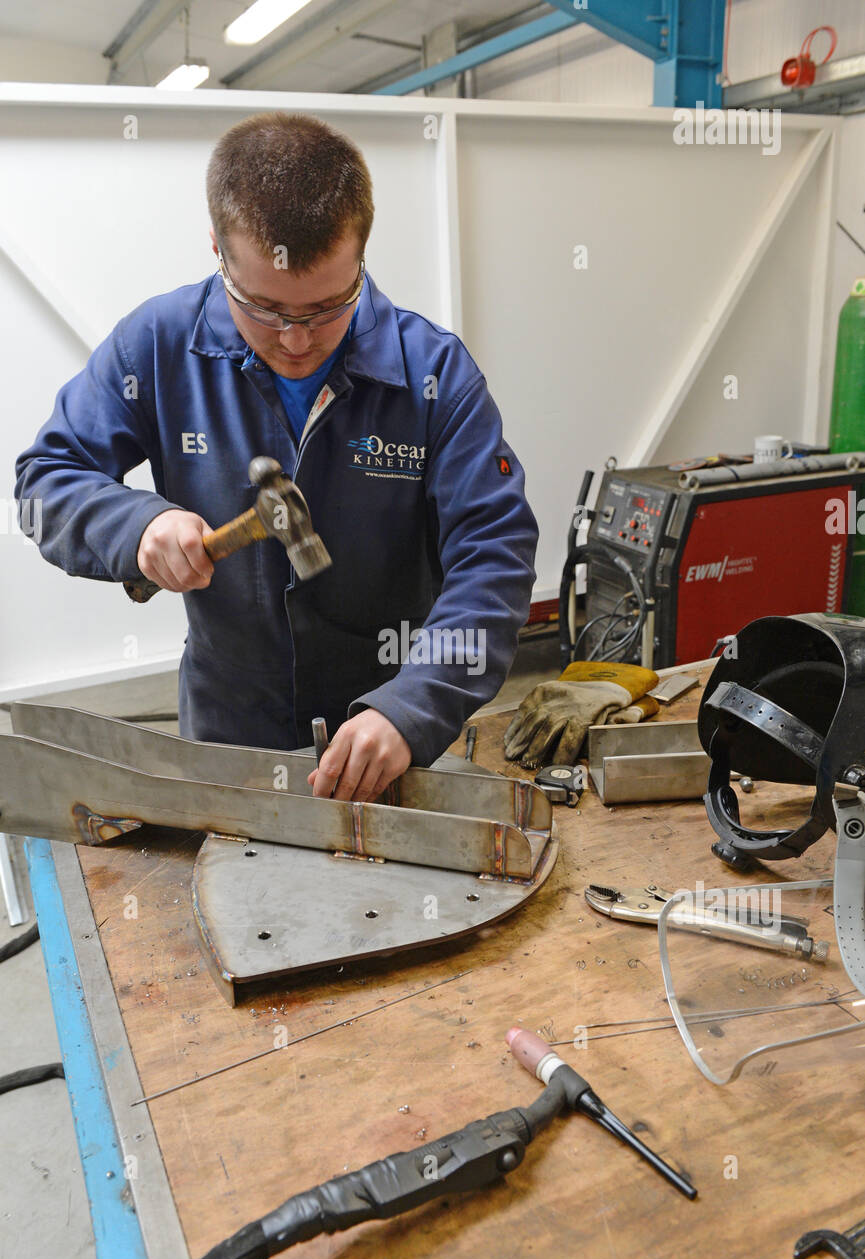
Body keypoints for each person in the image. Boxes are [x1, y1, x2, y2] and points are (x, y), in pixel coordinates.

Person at [15, 111, 538, 803]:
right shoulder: (157, 345)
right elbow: (46, 483)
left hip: (386, 730)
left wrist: (414, 705)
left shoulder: (433, 373)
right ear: (216, 250)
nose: (296, 340)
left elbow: (492, 553)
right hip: (228, 728)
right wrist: (134, 527)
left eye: (326, 307)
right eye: (262, 308)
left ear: (360, 257)